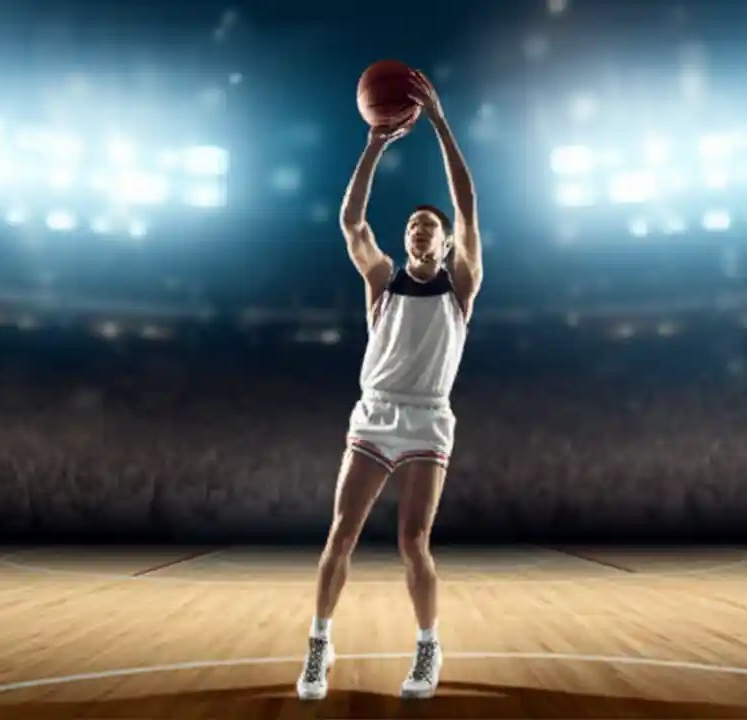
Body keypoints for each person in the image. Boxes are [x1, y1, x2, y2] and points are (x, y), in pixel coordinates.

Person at [296, 69, 482, 701]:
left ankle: (428, 648)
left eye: (429, 227)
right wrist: (375, 144)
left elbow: (467, 204)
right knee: (340, 535)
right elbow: (351, 222)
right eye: (411, 228)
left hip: (429, 418)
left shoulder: (460, 286)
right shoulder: (383, 282)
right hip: (375, 416)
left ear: (447, 241)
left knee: (413, 541)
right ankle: (319, 645)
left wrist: (438, 122)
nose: (419, 231)